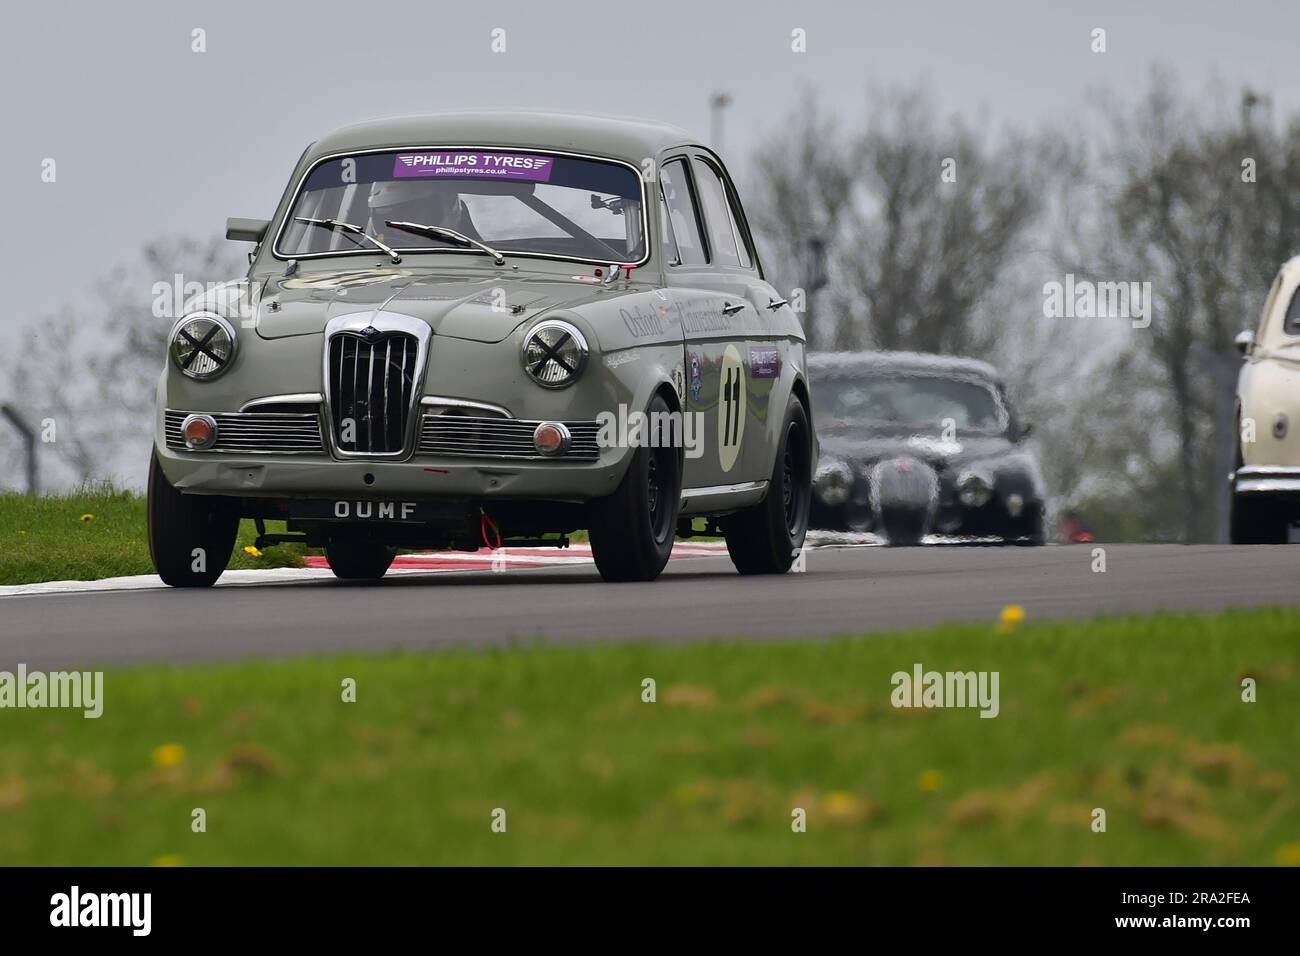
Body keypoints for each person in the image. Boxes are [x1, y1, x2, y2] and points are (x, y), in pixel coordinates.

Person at [365, 180, 482, 246]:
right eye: (387, 219)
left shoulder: (484, 257)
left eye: (409, 216)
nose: (397, 229)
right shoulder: (365, 252)